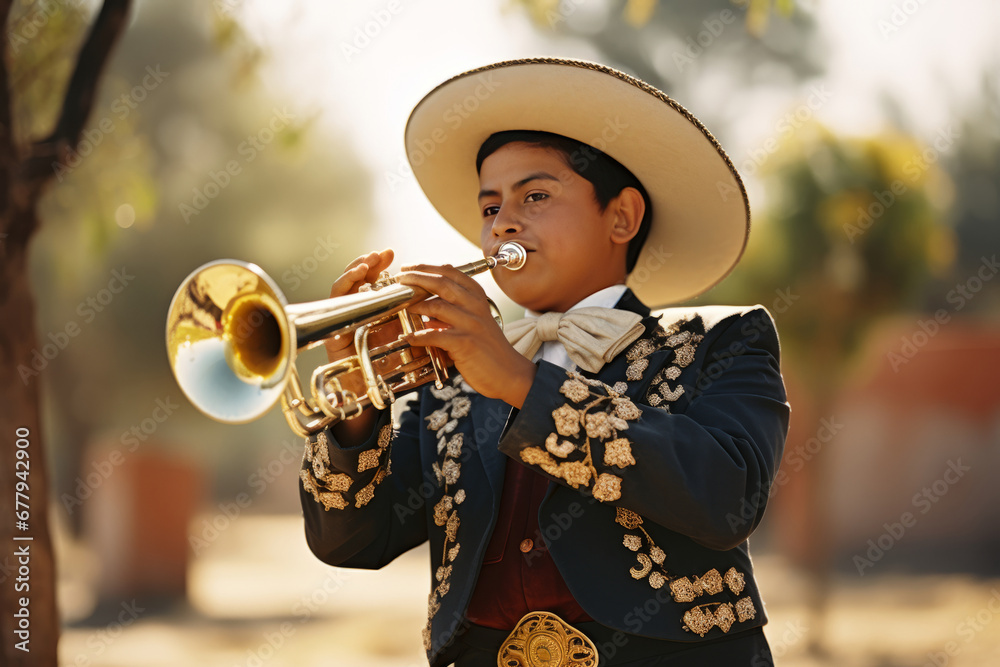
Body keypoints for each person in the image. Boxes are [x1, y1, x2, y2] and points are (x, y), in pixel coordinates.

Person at [298, 58, 790, 666]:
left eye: (535, 195)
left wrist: (521, 383)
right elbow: (348, 542)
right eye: (488, 207)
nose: (503, 220)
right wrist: (354, 398)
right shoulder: (451, 376)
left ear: (622, 217)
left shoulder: (719, 340)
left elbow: (729, 499)